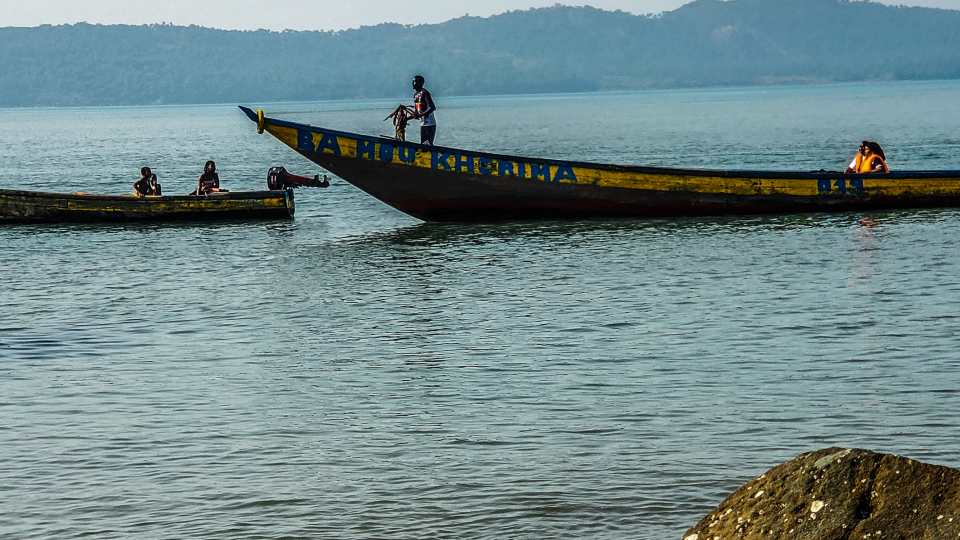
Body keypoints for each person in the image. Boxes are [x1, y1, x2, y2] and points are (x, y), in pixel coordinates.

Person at [411, 75, 437, 145]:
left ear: (420, 83)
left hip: (430, 124)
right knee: (423, 144)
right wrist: (407, 118)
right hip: (422, 124)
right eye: (413, 81)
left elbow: (432, 107)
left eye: (415, 81)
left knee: (428, 144)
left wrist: (421, 115)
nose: (413, 83)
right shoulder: (415, 95)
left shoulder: (425, 93)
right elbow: (417, 112)